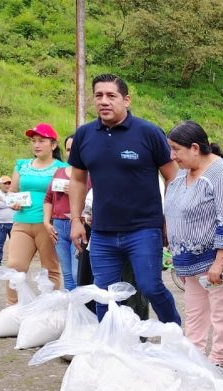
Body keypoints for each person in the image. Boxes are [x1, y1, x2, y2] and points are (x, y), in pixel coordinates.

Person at [67, 73, 180, 324]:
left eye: (111, 96)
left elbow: (173, 176)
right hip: (102, 231)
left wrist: (168, 219)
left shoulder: (148, 133)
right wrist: (75, 220)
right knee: (104, 294)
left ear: (126, 100)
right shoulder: (84, 135)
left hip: (143, 229)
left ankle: (175, 337)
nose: (104, 101)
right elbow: (77, 179)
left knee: (150, 287)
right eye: (98, 96)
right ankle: (111, 347)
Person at [164, 120, 223, 378]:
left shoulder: (221, 174)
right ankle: (194, 362)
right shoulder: (180, 176)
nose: (172, 156)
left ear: (195, 148)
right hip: (189, 263)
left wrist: (219, 263)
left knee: (221, 315)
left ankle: (218, 363)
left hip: (215, 263)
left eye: (176, 149)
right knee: (195, 315)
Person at [6, 123, 67, 304]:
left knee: (50, 269)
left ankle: (49, 308)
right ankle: (11, 308)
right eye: (33, 141)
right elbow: (12, 191)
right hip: (22, 222)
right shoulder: (22, 165)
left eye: (42, 141)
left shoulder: (62, 168)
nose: (36, 145)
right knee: (15, 267)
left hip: (49, 225)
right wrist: (13, 201)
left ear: (53, 145)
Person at [43, 136, 80, 290]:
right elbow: (48, 198)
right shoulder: (59, 172)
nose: (72, 153)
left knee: (77, 272)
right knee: (67, 273)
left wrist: (75, 192)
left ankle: (83, 308)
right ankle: (72, 308)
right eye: (69, 149)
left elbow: (94, 200)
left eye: (75, 149)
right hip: (59, 225)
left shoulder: (89, 174)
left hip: (79, 225)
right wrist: (46, 222)